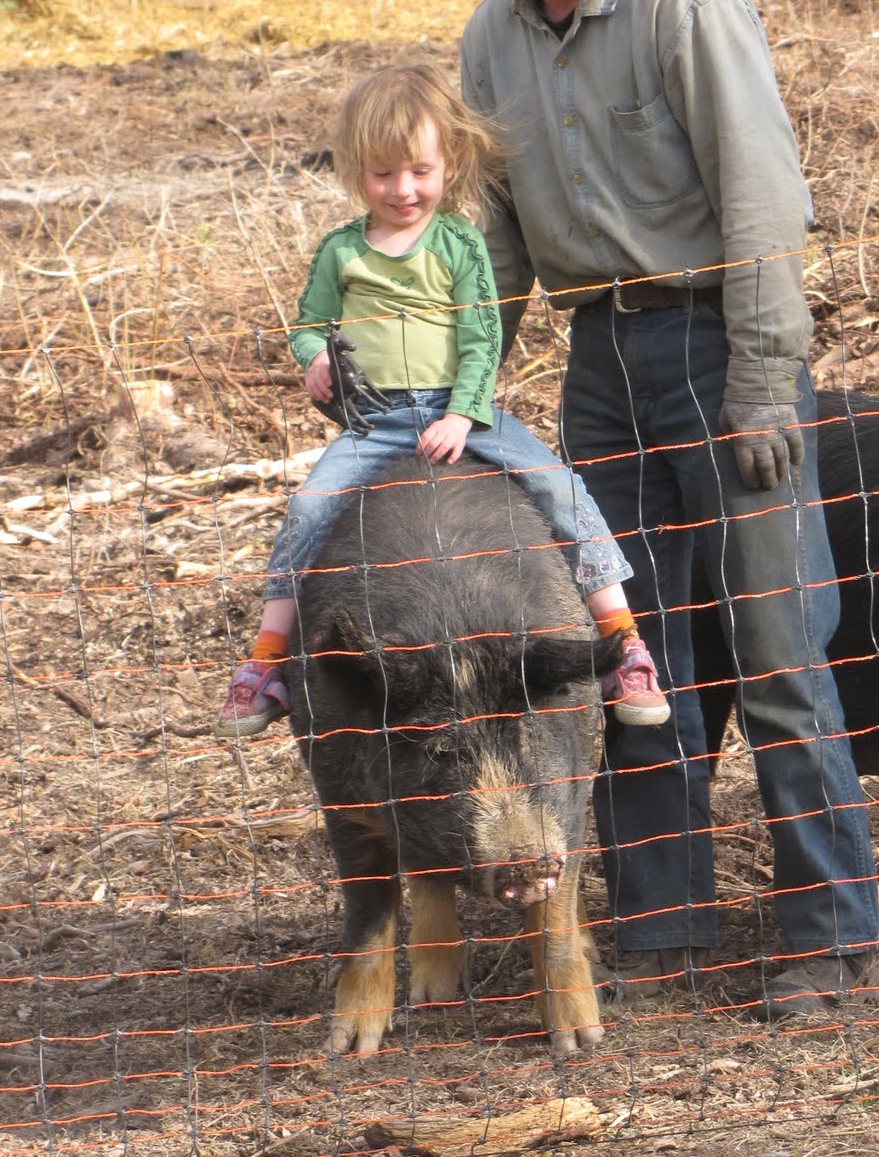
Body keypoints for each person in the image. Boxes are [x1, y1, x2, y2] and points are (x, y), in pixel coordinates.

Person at [446, 0, 879, 1021]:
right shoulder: (490, 40)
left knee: (780, 646)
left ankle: (831, 936)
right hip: (604, 364)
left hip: (717, 344)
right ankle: (662, 925)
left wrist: (759, 385)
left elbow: (761, 205)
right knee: (634, 654)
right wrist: (450, 394)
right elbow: (498, 240)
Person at [214, 62, 669, 737]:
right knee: (309, 509)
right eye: (383, 174)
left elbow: (482, 335)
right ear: (354, 170)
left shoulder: (458, 242)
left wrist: (462, 412)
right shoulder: (341, 252)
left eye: (420, 172)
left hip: (461, 410)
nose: (403, 190)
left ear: (449, 164)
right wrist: (313, 360)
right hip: (375, 421)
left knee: (562, 492)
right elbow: (309, 325)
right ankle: (266, 661)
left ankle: (625, 642)